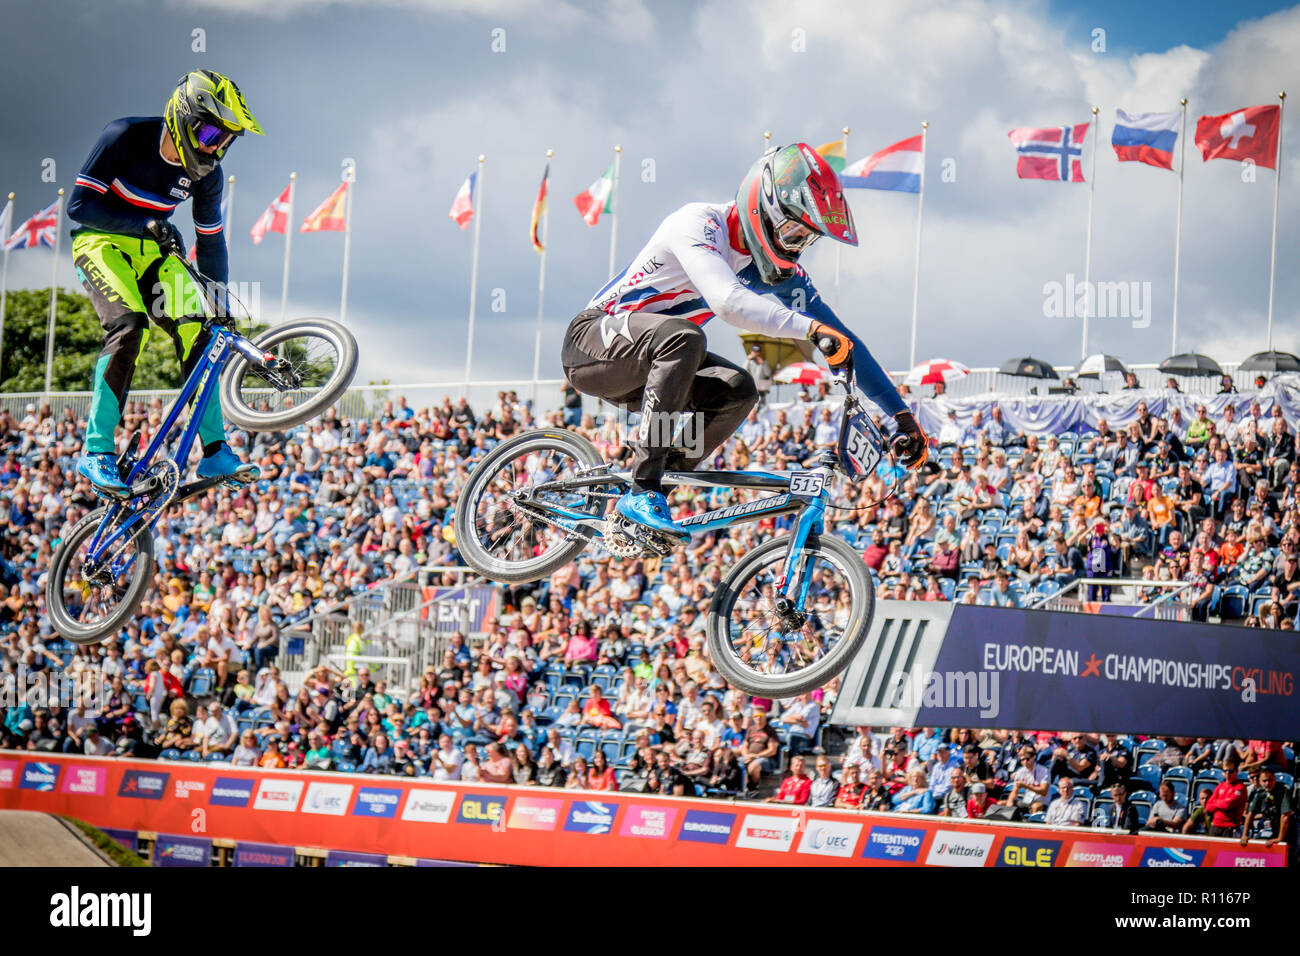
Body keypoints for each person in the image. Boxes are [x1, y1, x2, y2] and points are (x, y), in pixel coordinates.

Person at [560, 143, 926, 534]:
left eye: (805, 239)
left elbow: (843, 340)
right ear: (762, 206)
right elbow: (727, 303)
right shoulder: (699, 223)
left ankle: (659, 489)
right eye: (791, 231)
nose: (794, 246)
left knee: (738, 390)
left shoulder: (777, 274)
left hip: (650, 365)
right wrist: (809, 330)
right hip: (591, 341)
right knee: (686, 337)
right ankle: (642, 488)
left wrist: (901, 416)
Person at [67, 70, 263, 492]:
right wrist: (146, 222)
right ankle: (96, 451)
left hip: (156, 252)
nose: (217, 147)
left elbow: (211, 242)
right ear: (184, 117)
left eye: (227, 139)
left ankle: (214, 454)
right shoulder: (123, 136)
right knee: (128, 325)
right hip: (101, 242)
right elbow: (80, 206)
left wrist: (219, 302)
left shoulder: (206, 175)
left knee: (203, 334)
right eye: (212, 132)